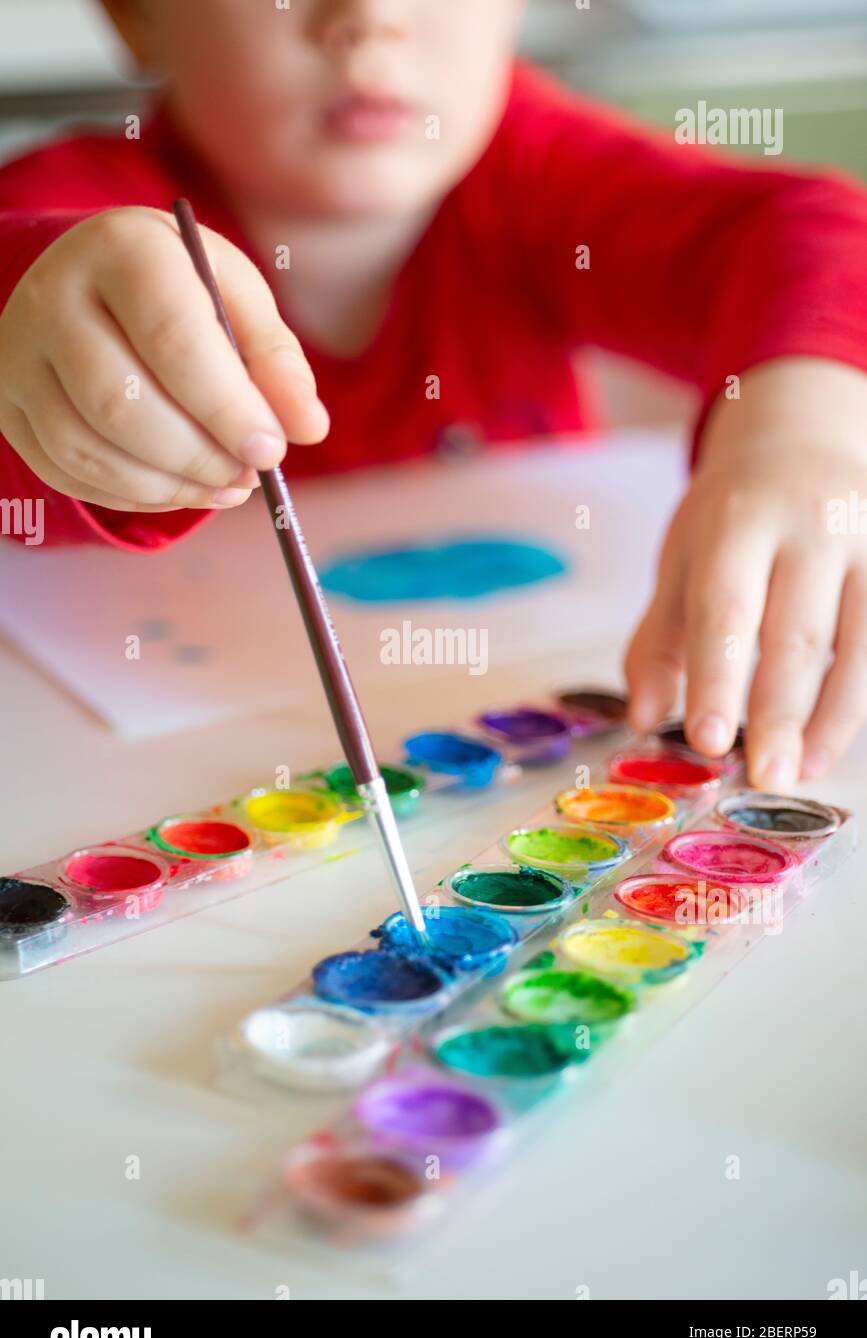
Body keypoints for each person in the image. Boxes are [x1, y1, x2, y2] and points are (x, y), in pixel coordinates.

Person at [0, 0, 865, 791]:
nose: (369, 19)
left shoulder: (533, 169)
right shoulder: (67, 232)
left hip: (520, 755)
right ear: (137, 15)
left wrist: (807, 420)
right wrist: (37, 332)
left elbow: (800, 229)